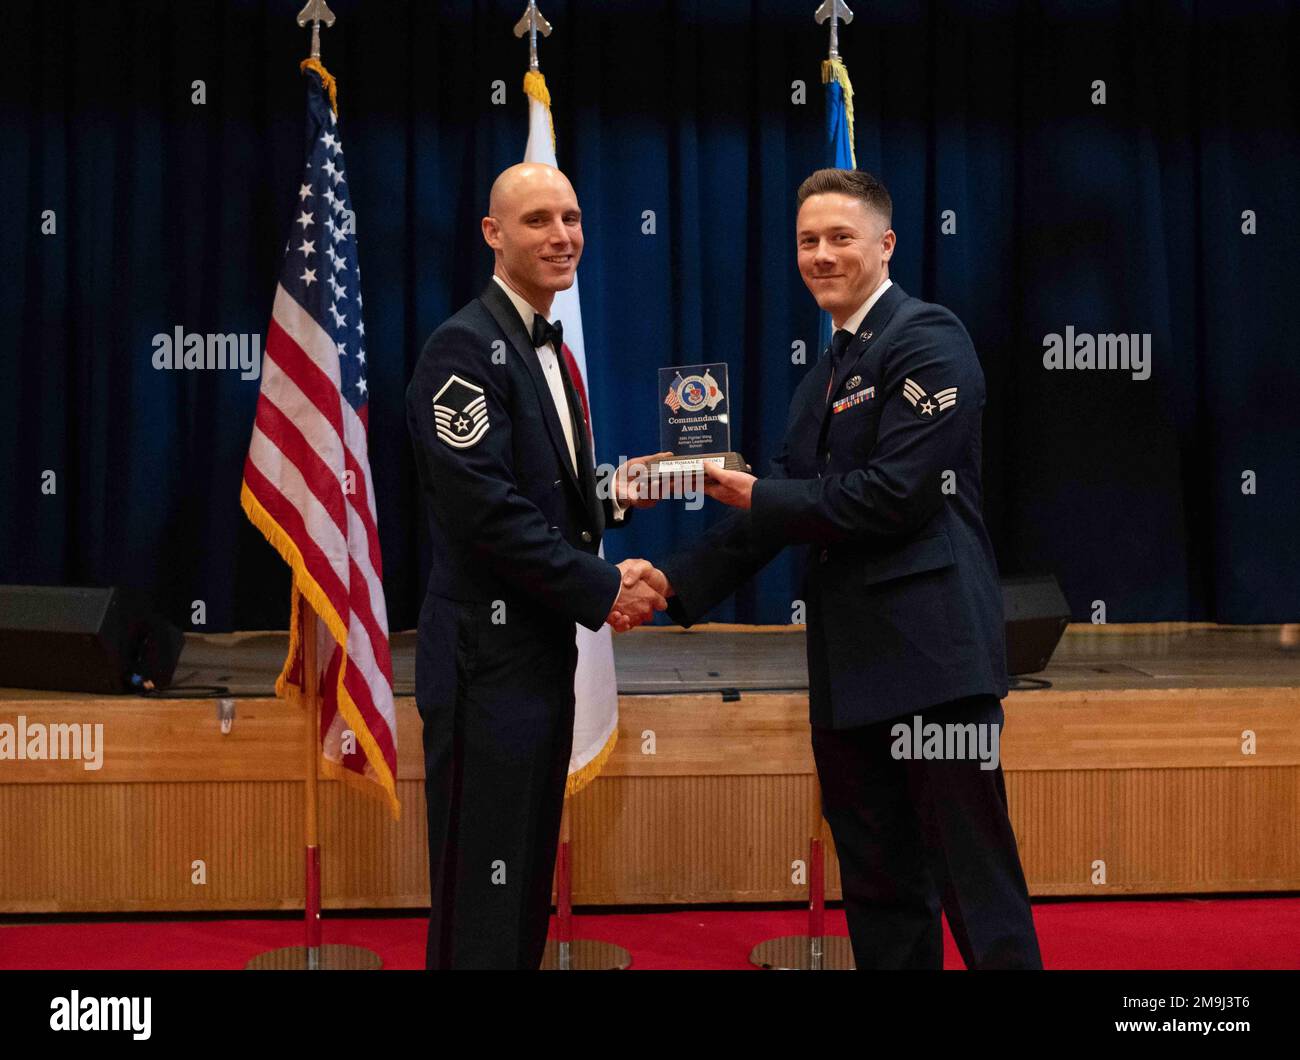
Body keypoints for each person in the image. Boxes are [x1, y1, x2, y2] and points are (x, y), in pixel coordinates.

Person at [658, 168, 1043, 969]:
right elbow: (771, 511)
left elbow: (894, 497)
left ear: (886, 244)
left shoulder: (929, 339)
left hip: (934, 665)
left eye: (840, 237)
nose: (822, 254)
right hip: (851, 675)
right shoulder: (822, 376)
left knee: (977, 882)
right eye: (808, 241)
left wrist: (759, 490)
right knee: (879, 887)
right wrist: (669, 585)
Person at [405, 162, 667, 969]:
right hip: (485, 663)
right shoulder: (464, 347)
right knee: (482, 895)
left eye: (572, 218)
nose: (562, 236)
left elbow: (539, 491)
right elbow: (486, 514)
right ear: (493, 234)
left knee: (517, 885)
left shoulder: (541, 343)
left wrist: (616, 496)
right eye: (538, 221)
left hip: (534, 655)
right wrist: (601, 584)